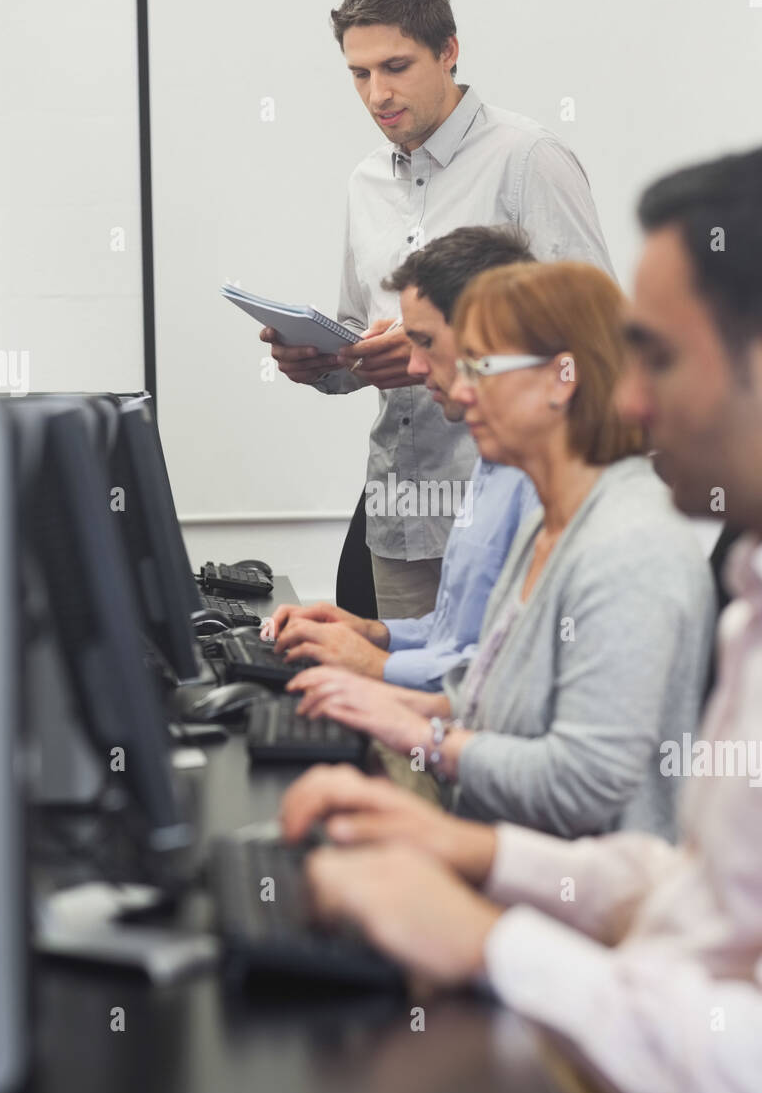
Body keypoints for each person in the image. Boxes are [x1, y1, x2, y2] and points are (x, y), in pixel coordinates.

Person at [281, 142, 762, 1093]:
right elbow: (698, 892)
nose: (627, 402)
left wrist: (491, 944)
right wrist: (470, 849)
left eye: (659, 360)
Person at [289, 260, 715, 840]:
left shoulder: (630, 547)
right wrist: (375, 702)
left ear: (564, 376)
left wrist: (417, 732)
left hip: (577, 899)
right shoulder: (555, 523)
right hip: (515, 853)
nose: (459, 388)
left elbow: (581, 786)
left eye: (482, 368)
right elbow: (485, 700)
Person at [259, 0, 613, 618]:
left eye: (395, 66)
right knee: (395, 692)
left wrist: (445, 351)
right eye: (359, 75)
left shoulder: (528, 158)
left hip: (505, 509)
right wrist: (326, 362)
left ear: (449, 51)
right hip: (396, 513)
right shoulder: (365, 181)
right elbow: (358, 331)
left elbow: (597, 341)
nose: (377, 94)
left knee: (483, 704)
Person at [264, 226, 539, 690]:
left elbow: (512, 678)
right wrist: (371, 633)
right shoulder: (495, 468)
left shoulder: (551, 489)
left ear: (490, 339)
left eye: (424, 343)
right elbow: (457, 634)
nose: (410, 368)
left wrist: (374, 668)